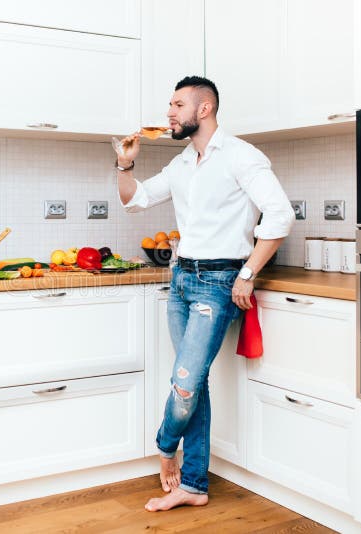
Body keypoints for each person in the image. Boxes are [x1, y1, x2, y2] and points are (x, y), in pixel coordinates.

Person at [114, 76, 294, 512]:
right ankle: (193, 485)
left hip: (218, 283)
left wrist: (248, 272)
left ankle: (164, 446)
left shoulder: (241, 156)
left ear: (205, 108)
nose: (169, 113)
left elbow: (281, 214)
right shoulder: (182, 163)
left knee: (185, 384)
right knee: (196, 384)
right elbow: (135, 200)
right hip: (180, 281)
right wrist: (124, 166)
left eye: (177, 104)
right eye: (170, 105)